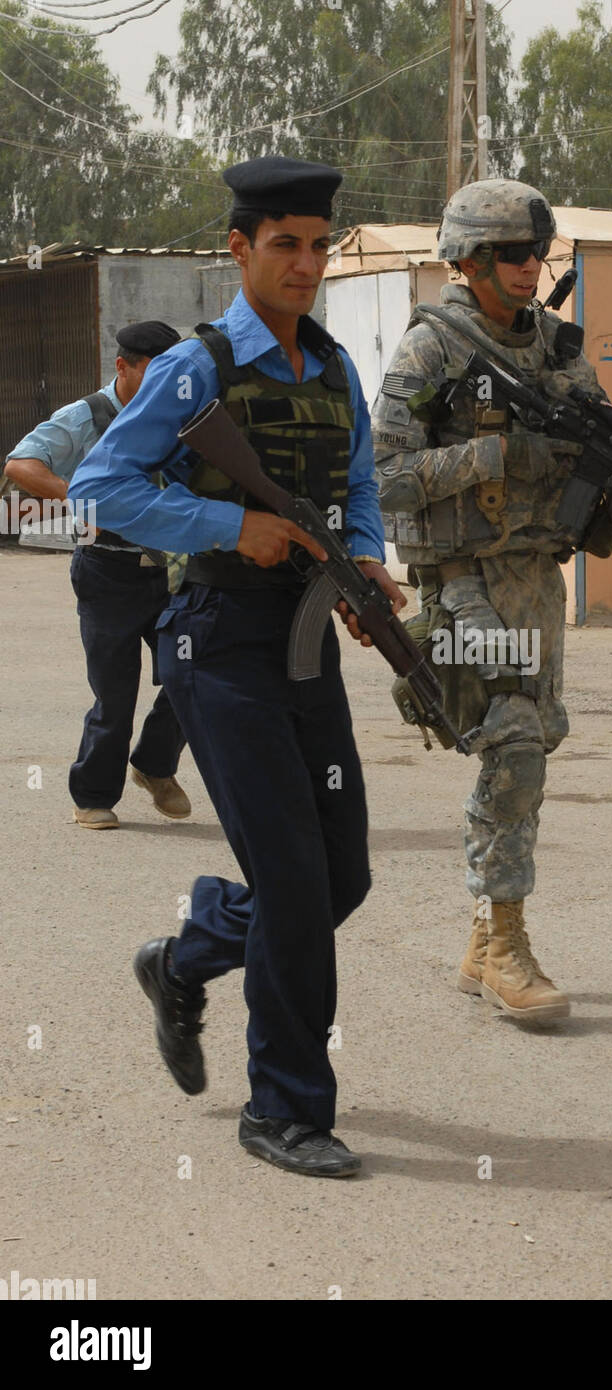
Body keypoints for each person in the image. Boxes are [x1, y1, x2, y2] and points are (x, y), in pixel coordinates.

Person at [69, 155, 403, 1178]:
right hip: (215, 639)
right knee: (297, 882)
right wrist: (231, 522)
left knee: (339, 871)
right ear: (241, 249)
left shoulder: (336, 365)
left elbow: (357, 483)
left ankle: (185, 956)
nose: (305, 264)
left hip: (302, 635)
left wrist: (364, 566)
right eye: (285, 244)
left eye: (318, 245)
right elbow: (100, 483)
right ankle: (286, 1108)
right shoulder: (197, 367)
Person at [372, 179, 612, 1025]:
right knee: (513, 742)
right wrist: (501, 458)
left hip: (534, 576)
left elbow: (592, 442)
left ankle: (480, 934)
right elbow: (386, 481)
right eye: (511, 253)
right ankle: (505, 945)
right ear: (465, 261)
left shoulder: (559, 350)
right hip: (458, 577)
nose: (530, 267)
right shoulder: (431, 352)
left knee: (533, 752)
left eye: (539, 251)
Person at [4, 321, 189, 829]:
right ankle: (93, 796)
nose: (159, 387)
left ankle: (154, 766)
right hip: (107, 570)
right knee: (116, 695)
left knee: (192, 673)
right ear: (122, 367)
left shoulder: (180, 411)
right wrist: (78, 495)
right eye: (149, 374)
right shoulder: (88, 415)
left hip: (173, 569)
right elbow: (21, 465)